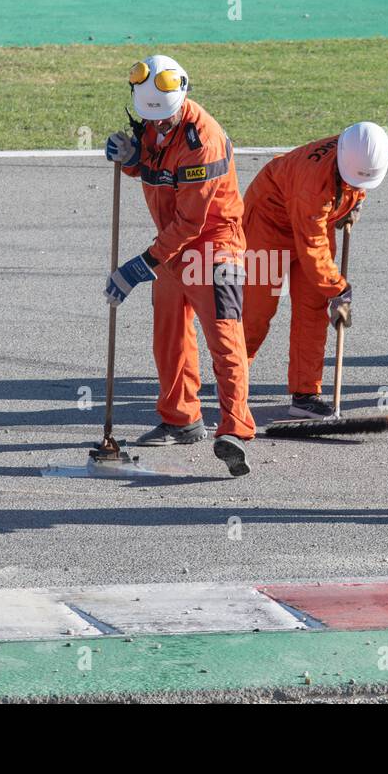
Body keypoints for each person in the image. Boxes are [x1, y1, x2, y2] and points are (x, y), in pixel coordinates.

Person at [104, 54, 256, 476]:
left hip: (214, 245)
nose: (159, 126)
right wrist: (132, 158)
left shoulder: (201, 141)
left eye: (165, 120)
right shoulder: (156, 118)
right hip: (173, 245)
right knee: (168, 336)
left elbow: (192, 221)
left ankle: (236, 429)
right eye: (153, 119)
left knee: (224, 340)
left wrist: (139, 267)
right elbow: (157, 172)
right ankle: (181, 418)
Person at [241, 123, 388, 417]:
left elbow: (357, 182)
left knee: (313, 308)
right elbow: (313, 250)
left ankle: (305, 393)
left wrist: (351, 205)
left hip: (312, 222)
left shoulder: (360, 149)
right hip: (268, 226)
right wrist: (339, 290)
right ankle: (231, 382)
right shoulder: (311, 186)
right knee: (257, 312)